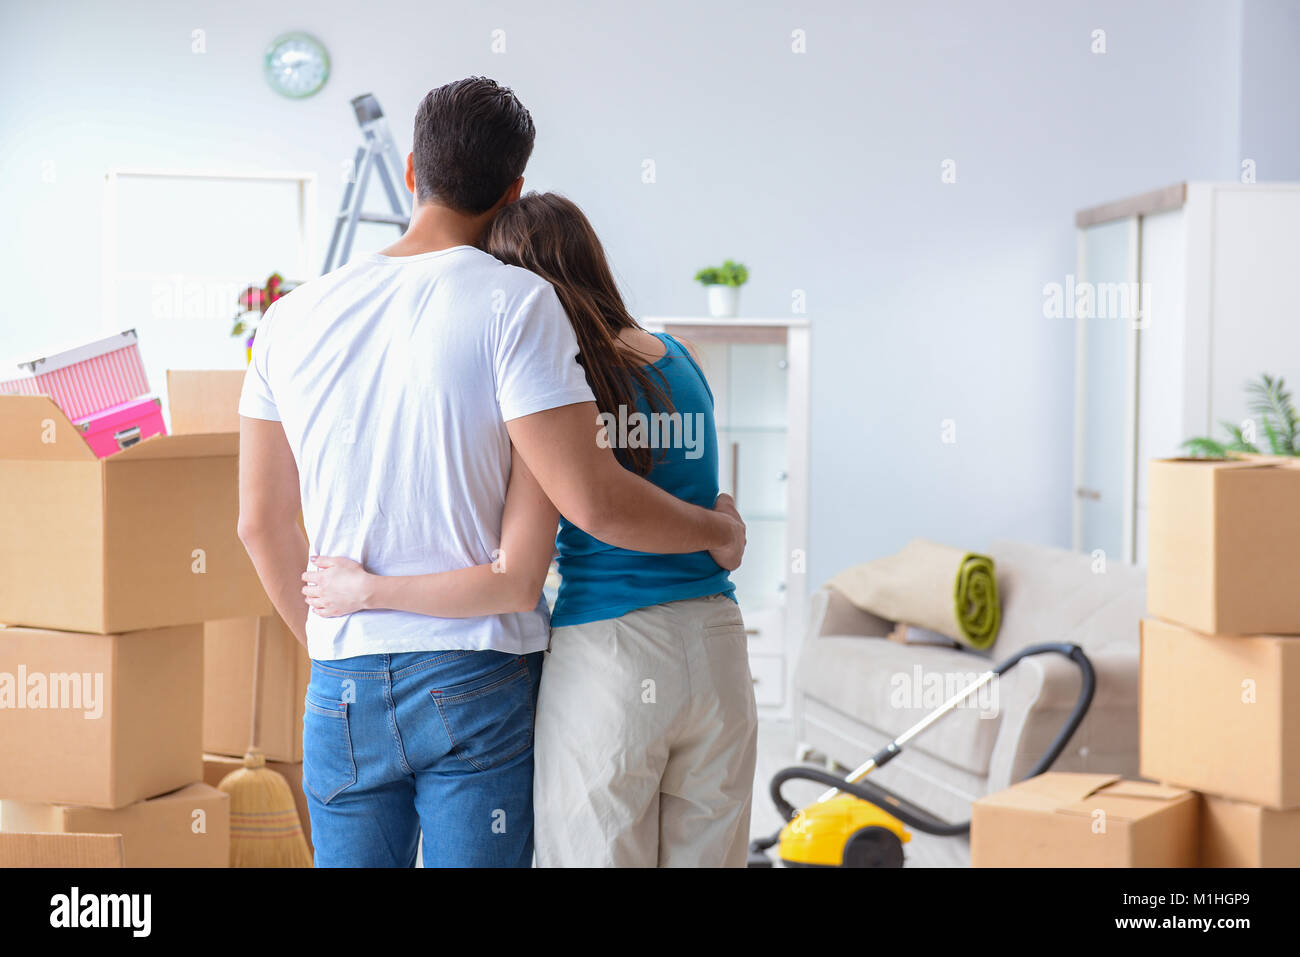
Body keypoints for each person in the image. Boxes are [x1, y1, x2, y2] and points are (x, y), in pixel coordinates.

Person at [236, 77, 745, 868]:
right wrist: (717, 528)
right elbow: (576, 509)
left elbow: (260, 524)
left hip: (343, 676)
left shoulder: (288, 318)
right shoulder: (520, 303)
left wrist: (335, 642)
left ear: (410, 171)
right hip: (477, 672)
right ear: (512, 192)